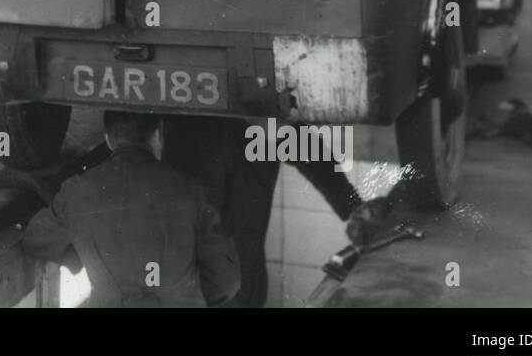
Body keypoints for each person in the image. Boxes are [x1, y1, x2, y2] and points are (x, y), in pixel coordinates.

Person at [163, 117, 392, 308]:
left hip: (244, 286)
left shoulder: (265, 125)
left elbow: (307, 149)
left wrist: (353, 207)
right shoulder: (196, 132)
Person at [21, 110, 241, 308]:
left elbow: (36, 240)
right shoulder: (190, 190)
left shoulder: (77, 191)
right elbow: (226, 281)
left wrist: (83, 253)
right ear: (158, 135)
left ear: (107, 139)